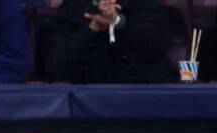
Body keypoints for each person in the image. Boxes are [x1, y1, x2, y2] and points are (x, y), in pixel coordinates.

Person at [40, 0, 176, 84]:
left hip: (139, 91)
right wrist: (92, 30)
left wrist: (118, 23)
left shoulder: (144, 4)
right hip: (90, 95)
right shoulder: (72, 8)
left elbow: (157, 45)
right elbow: (56, 66)